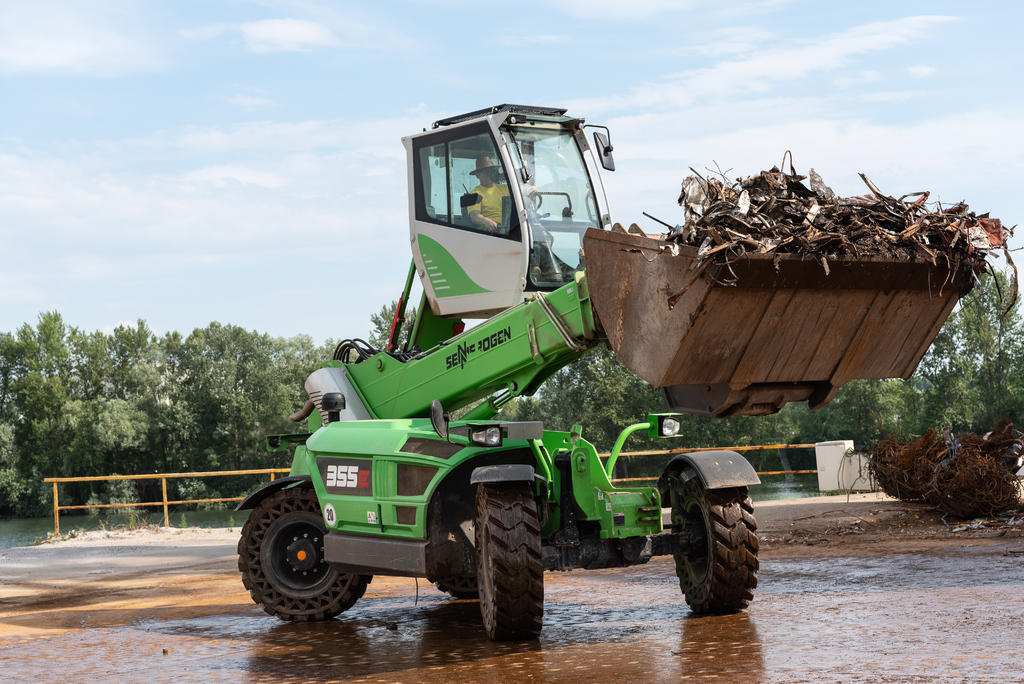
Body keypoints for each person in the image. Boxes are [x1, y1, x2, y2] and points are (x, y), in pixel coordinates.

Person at [466, 155, 509, 233]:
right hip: (490, 232)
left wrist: (531, 191)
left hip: (509, 228)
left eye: (490, 170)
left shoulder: (505, 188)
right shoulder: (474, 194)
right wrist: (485, 221)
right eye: (485, 171)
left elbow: (522, 194)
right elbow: (474, 216)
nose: (488, 173)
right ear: (477, 175)